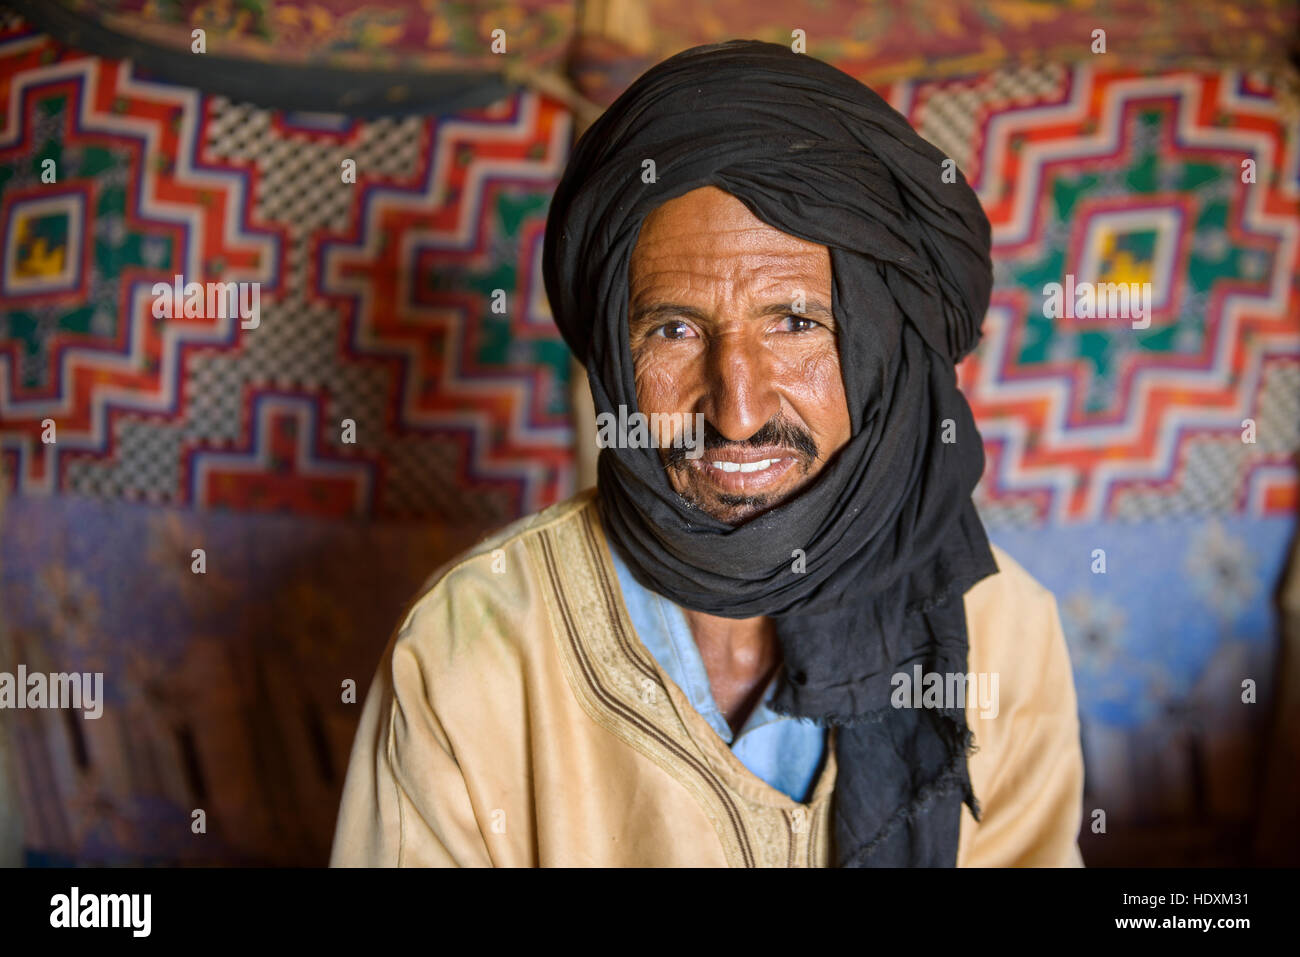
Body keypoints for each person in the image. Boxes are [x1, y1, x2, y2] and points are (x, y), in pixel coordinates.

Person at [330, 39, 1084, 867]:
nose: (736, 410)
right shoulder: (471, 650)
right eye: (675, 329)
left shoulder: (1000, 633)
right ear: (616, 357)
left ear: (878, 344)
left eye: (795, 323)